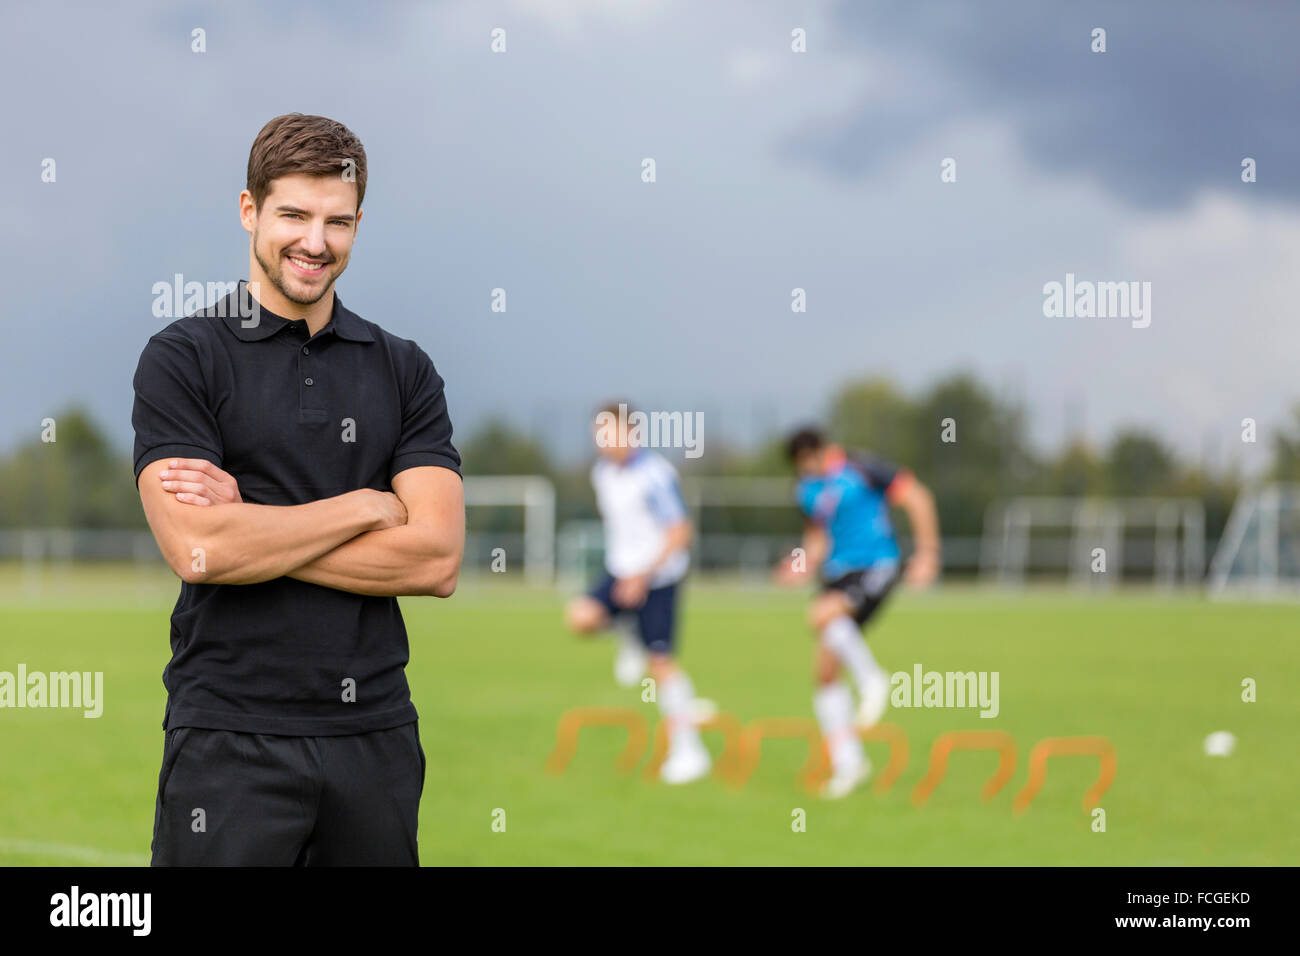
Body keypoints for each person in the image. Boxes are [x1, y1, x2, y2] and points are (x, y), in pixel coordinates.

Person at [131, 113, 464, 864]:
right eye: (293, 215)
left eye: (337, 221)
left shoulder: (405, 369)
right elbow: (198, 549)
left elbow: (436, 560)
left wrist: (251, 526)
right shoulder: (182, 359)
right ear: (249, 211)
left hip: (374, 738)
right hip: (228, 738)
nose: (315, 241)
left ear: (357, 224)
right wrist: (363, 507)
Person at [773, 428, 939, 798]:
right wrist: (798, 565)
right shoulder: (805, 489)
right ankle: (850, 764)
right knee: (826, 674)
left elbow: (917, 497)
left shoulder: (863, 468)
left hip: (875, 564)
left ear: (823, 451)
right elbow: (815, 541)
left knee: (821, 616)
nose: (807, 471)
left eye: (809, 462)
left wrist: (927, 553)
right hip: (836, 573)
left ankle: (873, 679)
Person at [564, 402, 712, 784]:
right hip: (621, 572)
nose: (603, 441)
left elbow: (681, 532)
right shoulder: (602, 474)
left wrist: (644, 576)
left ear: (632, 433)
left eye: (610, 432)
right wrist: (626, 574)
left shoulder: (655, 475)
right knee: (580, 618)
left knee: (660, 665)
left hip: (659, 577)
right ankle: (628, 631)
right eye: (599, 433)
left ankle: (690, 752)